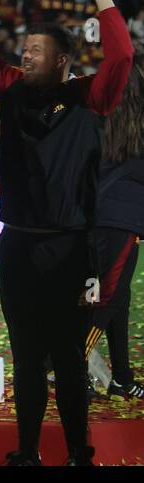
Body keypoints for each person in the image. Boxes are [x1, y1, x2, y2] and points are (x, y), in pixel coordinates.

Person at [0, 0, 131, 465]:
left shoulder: (89, 97)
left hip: (70, 250)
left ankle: (80, 453)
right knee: (26, 358)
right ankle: (27, 452)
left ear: (61, 59)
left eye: (35, 50)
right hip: (17, 247)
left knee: (70, 362)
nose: (24, 54)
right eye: (24, 47)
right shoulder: (10, 89)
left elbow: (121, 56)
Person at [89, 45, 144, 400]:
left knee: (117, 299)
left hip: (98, 218)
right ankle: (66, 364)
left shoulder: (98, 116)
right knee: (107, 299)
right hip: (123, 221)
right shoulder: (138, 125)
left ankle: (122, 377)